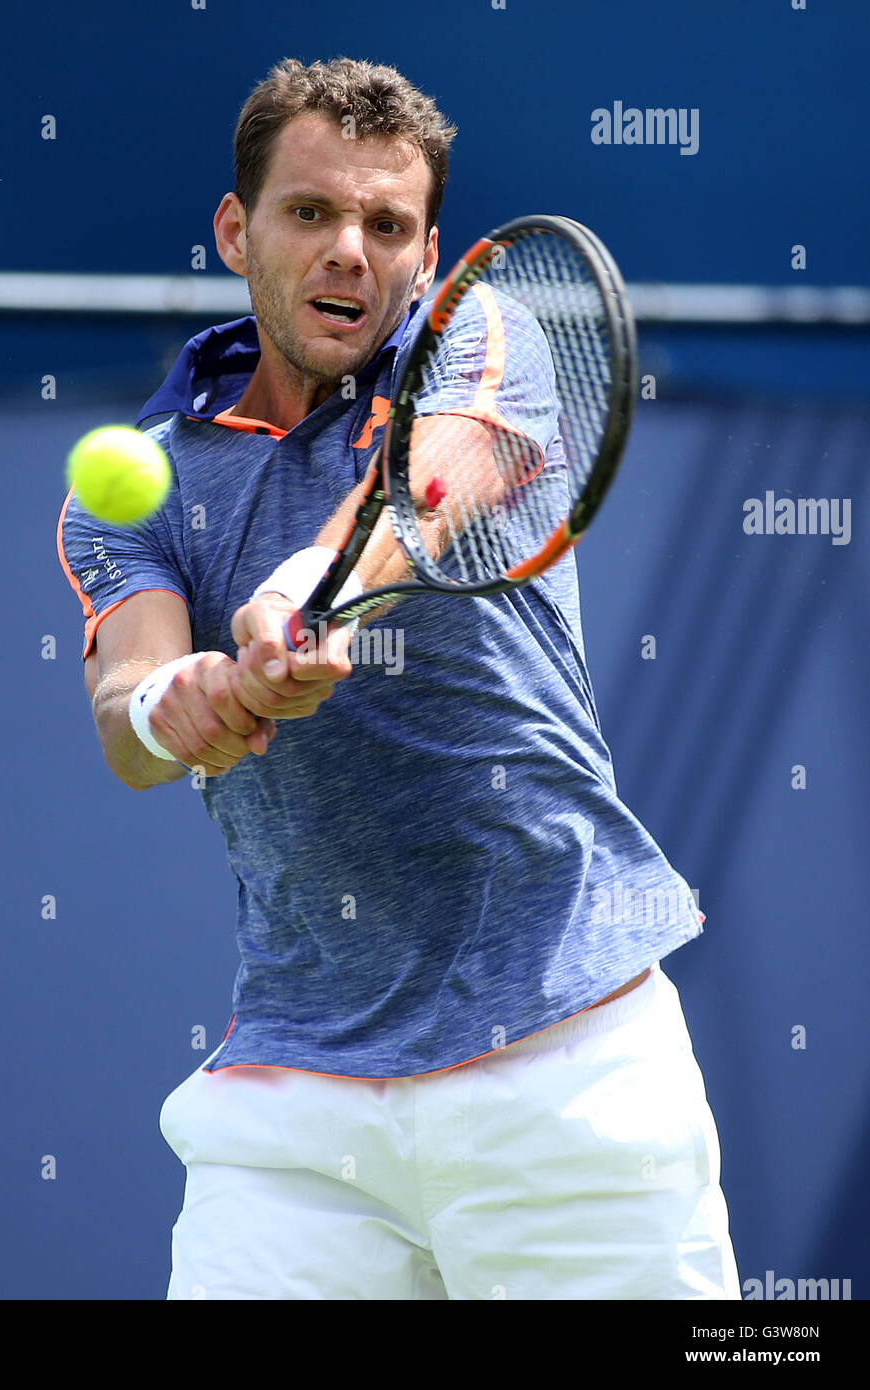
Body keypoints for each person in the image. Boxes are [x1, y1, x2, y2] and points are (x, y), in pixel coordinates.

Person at [57, 56, 741, 1301]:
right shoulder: (139, 479)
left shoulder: (491, 336)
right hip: (292, 1099)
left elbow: (431, 486)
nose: (349, 254)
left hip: (567, 1057)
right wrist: (188, 702)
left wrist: (309, 587)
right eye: (310, 213)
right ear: (236, 229)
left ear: (428, 252)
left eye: (387, 225)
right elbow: (126, 716)